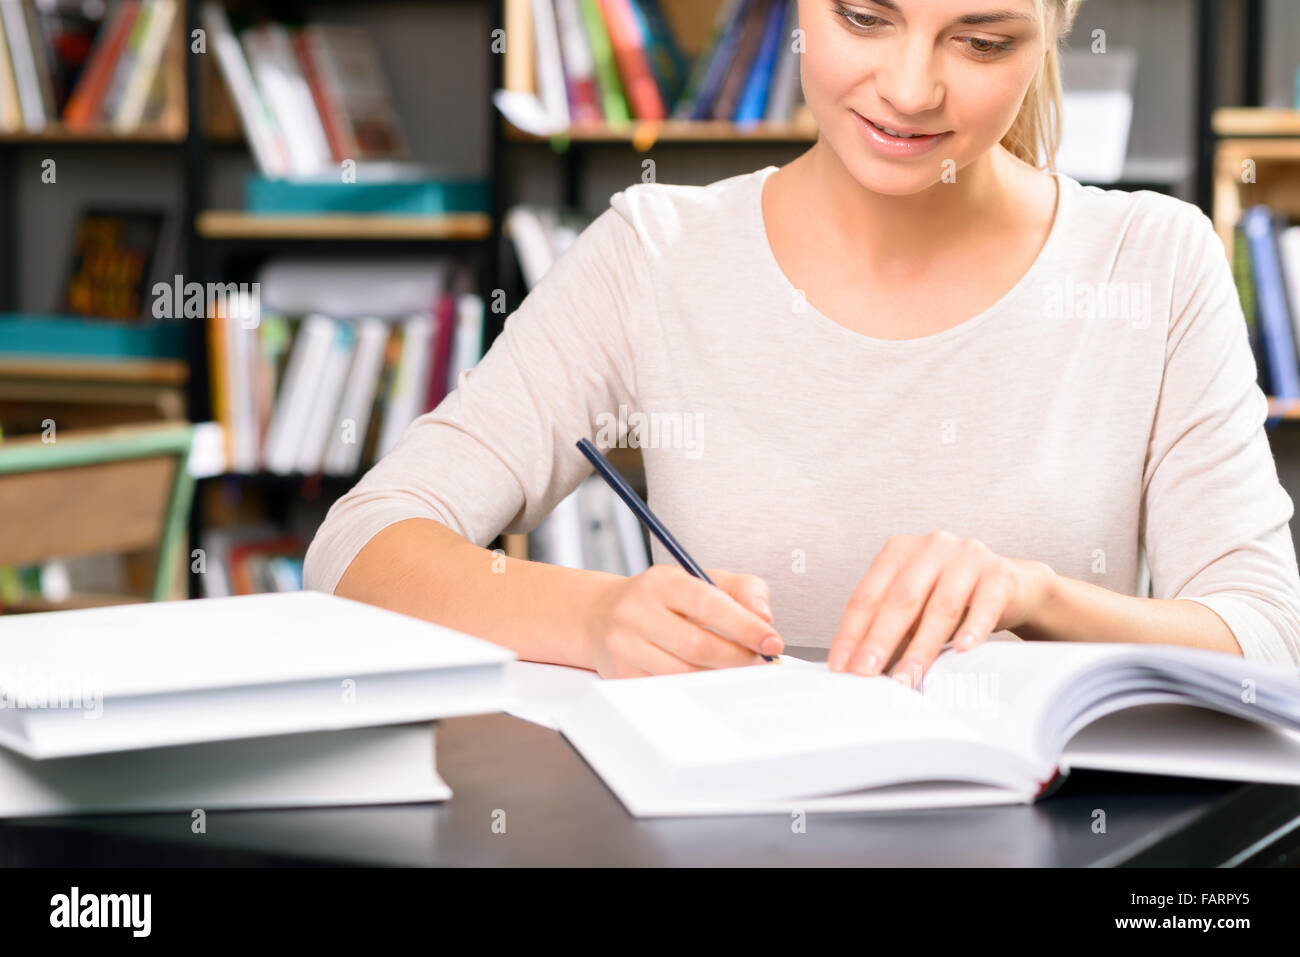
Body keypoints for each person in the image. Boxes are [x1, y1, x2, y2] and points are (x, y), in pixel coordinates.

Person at [303, 0, 1300, 682]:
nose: (909, 90)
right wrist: (594, 618)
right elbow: (360, 541)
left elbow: (1266, 639)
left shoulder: (1151, 262)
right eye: (864, 16)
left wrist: (1034, 598)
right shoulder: (659, 253)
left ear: (1051, 33)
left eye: (982, 42)